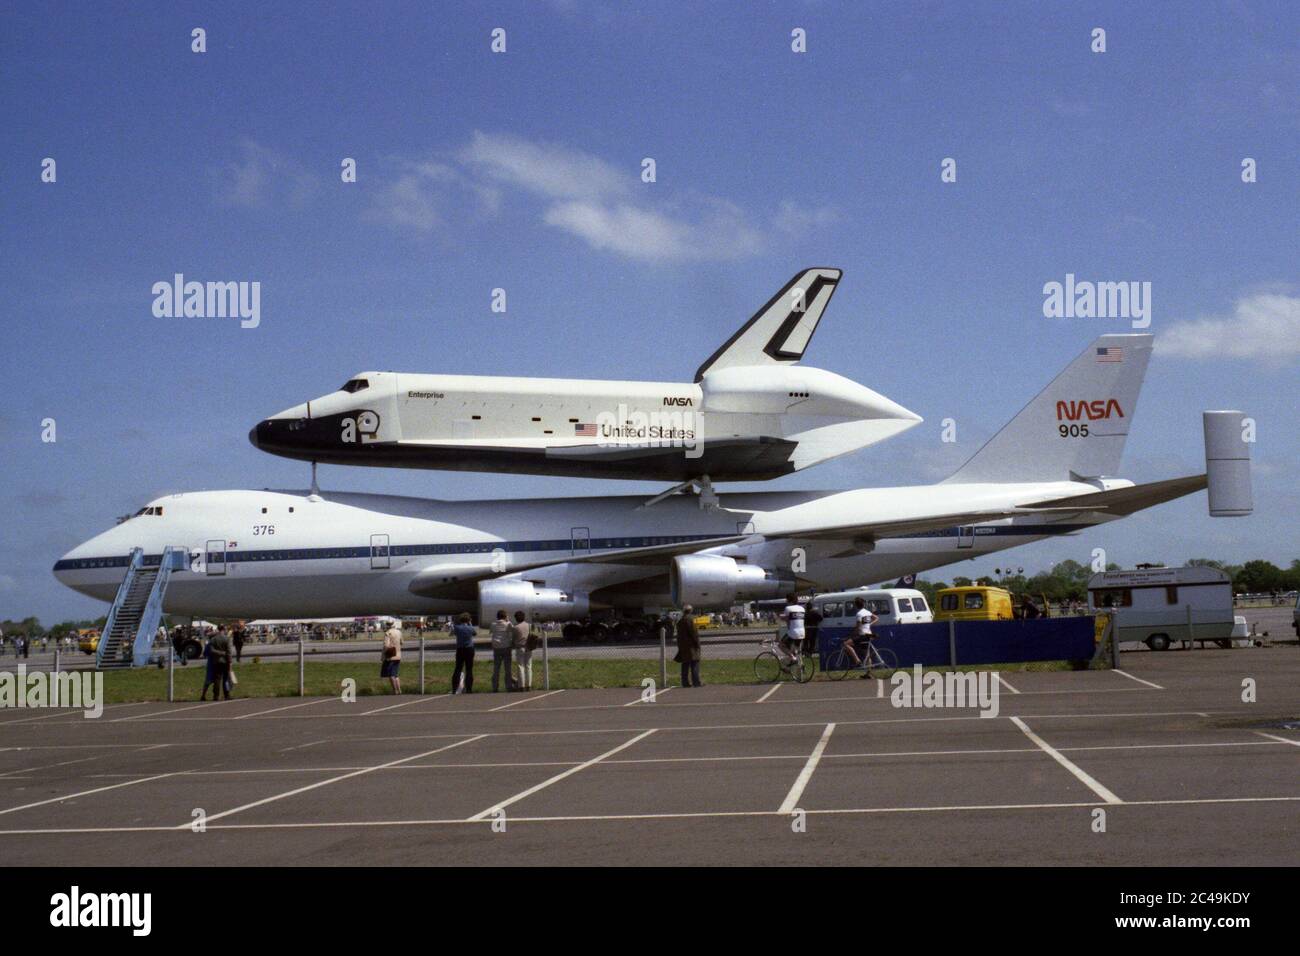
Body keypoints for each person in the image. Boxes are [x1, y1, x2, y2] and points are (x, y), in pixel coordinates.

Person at [201, 627, 233, 700]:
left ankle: (216, 696)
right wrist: (229, 661)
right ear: (224, 629)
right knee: (225, 679)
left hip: (215, 662)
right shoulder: (227, 639)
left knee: (217, 679)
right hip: (225, 661)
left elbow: (210, 651)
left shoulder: (213, 640)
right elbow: (229, 652)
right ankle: (227, 695)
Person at [674, 604, 702, 687]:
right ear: (690, 610)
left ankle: (685, 683)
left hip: (683, 645)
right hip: (691, 646)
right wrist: (697, 643)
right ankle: (696, 682)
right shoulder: (690, 620)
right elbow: (694, 633)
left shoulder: (680, 620)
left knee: (685, 664)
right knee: (695, 663)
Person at [488, 610, 515, 691]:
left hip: (496, 647)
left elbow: (491, 632)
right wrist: (508, 620)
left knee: (496, 668)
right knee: (507, 668)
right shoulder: (508, 624)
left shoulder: (493, 624)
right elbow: (513, 630)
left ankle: (495, 687)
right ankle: (509, 686)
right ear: (505, 616)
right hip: (506, 646)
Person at [451, 613, 476, 693]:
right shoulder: (470, 628)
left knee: (458, 668)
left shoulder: (457, 627)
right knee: (469, 669)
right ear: (469, 620)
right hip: (469, 649)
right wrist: (470, 623)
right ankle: (469, 688)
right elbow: (474, 633)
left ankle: (454, 688)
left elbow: (452, 633)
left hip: (460, 649)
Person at [780, 594, 805, 660]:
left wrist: (781, 617)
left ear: (789, 600)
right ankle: (796, 666)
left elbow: (787, 620)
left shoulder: (788, 608)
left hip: (793, 632)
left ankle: (792, 658)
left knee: (781, 645)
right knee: (795, 650)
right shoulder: (802, 608)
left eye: (786, 600)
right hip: (802, 632)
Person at [511, 611, 532, 691]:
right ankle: (529, 685)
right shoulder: (529, 626)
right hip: (529, 647)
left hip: (520, 648)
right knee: (528, 666)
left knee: (521, 666)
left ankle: (521, 685)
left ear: (516, 618)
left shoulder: (516, 627)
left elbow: (513, 639)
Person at [381, 620, 403, 694]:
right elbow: (402, 642)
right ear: (393, 624)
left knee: (390, 674)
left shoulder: (387, 633)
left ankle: (395, 690)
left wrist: (383, 656)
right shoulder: (399, 632)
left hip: (390, 656)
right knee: (396, 674)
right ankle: (399, 689)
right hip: (398, 655)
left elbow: (386, 645)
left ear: (387, 625)